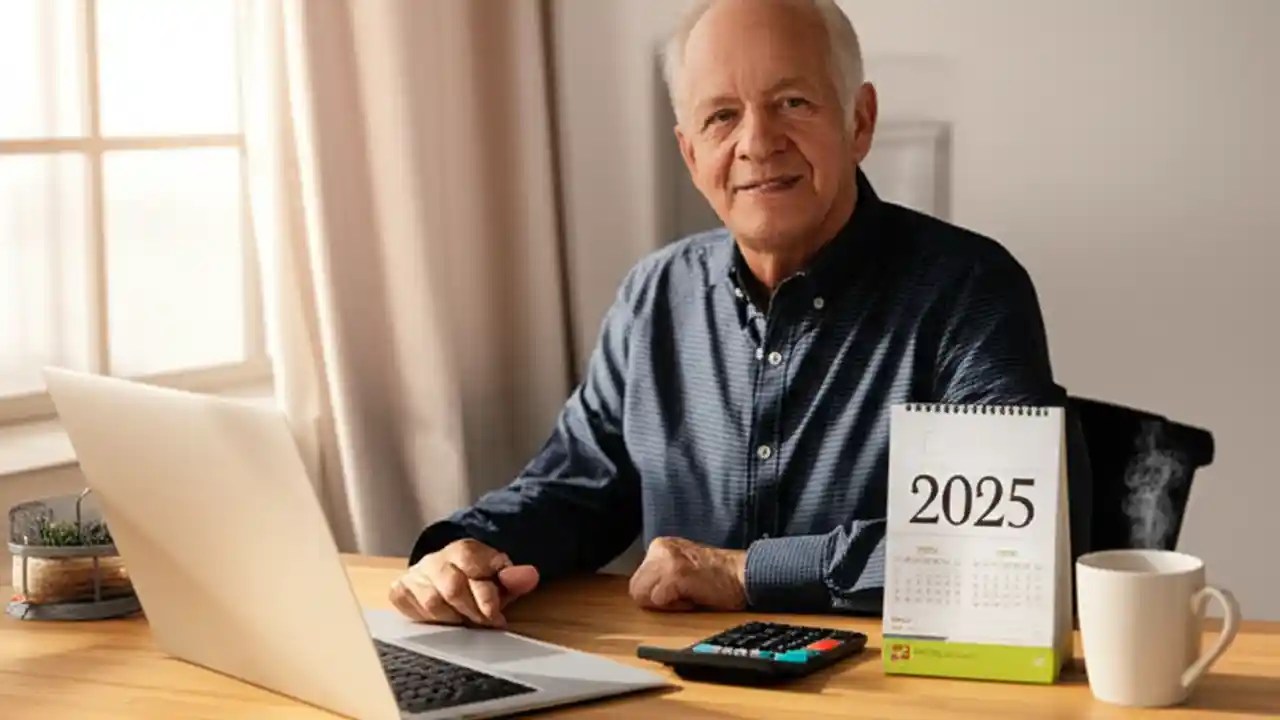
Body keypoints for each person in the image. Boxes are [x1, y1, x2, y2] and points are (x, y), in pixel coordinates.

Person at [389, 0, 1080, 628]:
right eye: (721, 116)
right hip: (680, 691)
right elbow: (573, 491)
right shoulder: (652, 297)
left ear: (859, 121)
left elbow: (996, 553)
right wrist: (460, 552)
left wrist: (744, 572)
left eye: (793, 102)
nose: (757, 141)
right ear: (691, 153)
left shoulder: (969, 292)